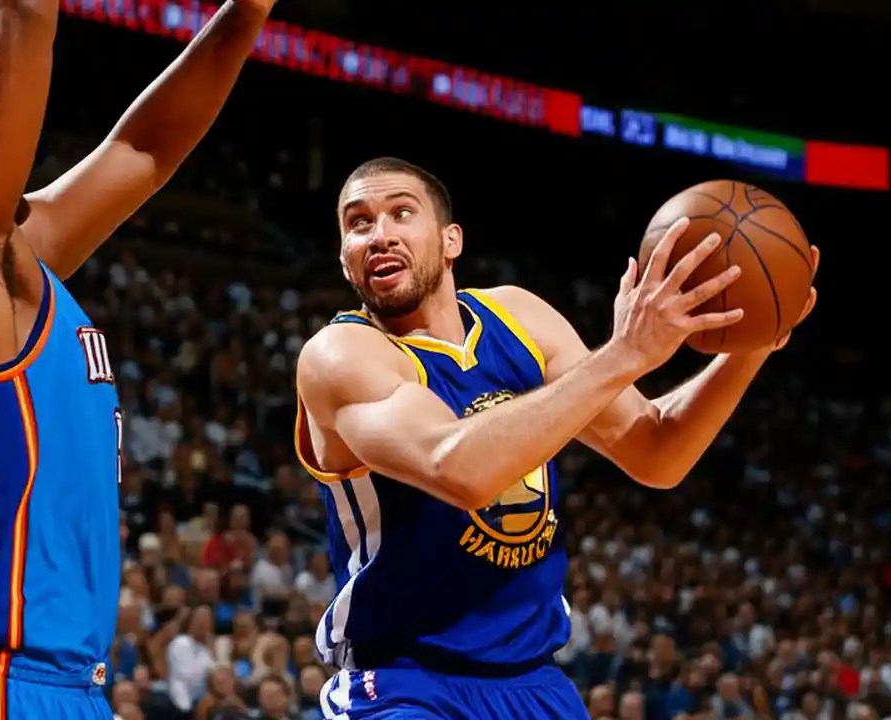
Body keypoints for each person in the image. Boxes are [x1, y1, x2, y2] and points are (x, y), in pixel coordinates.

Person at [0, 0, 276, 716]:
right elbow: (20, 21)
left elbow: (144, 152)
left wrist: (247, 11)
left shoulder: (3, 265)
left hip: (56, 683)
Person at [293, 157, 819, 719]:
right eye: (359, 223)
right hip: (403, 684)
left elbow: (658, 450)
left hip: (536, 684)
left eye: (401, 213)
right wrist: (623, 356)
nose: (380, 235)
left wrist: (752, 345)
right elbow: (458, 470)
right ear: (345, 259)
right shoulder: (339, 355)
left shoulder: (520, 317)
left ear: (452, 241)